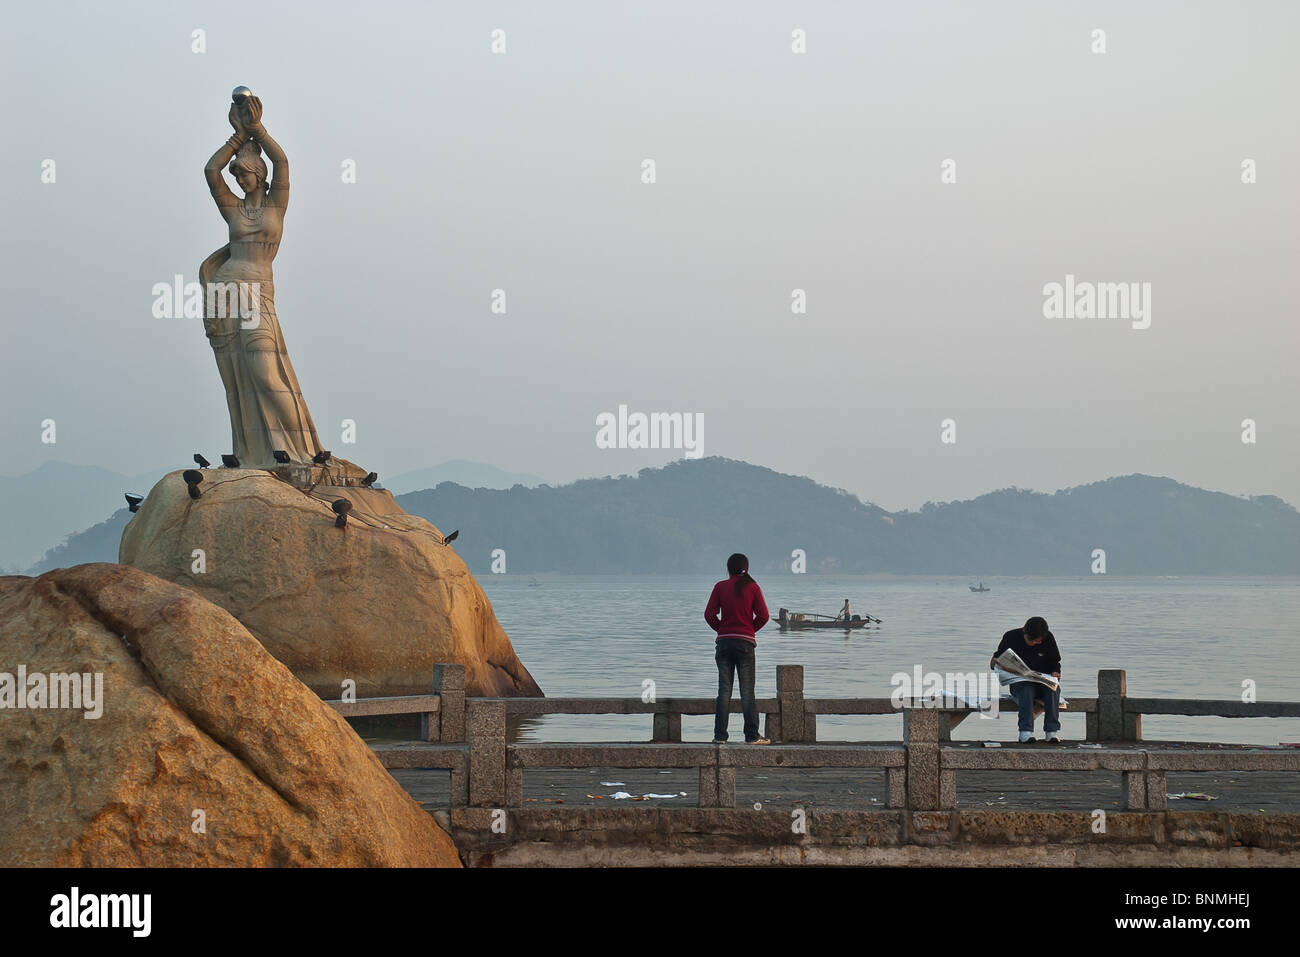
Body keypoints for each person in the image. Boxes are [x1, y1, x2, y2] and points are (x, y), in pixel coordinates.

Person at [704, 553, 771, 744]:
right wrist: (749, 630)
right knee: (747, 692)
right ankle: (751, 736)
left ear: (728, 569)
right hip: (745, 645)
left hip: (724, 643)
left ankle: (720, 736)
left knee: (724, 691)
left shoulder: (720, 587)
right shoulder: (753, 587)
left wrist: (722, 629)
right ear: (746, 569)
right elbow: (764, 616)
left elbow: (709, 614)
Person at [990, 616, 1062, 743]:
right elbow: (995, 661)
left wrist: (1055, 673)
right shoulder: (1010, 636)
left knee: (1053, 690)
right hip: (1020, 682)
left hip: (1042, 681)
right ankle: (1026, 732)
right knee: (1026, 690)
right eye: (1031, 640)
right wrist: (996, 663)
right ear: (1024, 631)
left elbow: (1054, 661)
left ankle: (1052, 732)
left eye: (1038, 641)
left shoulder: (1048, 638)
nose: (1035, 643)